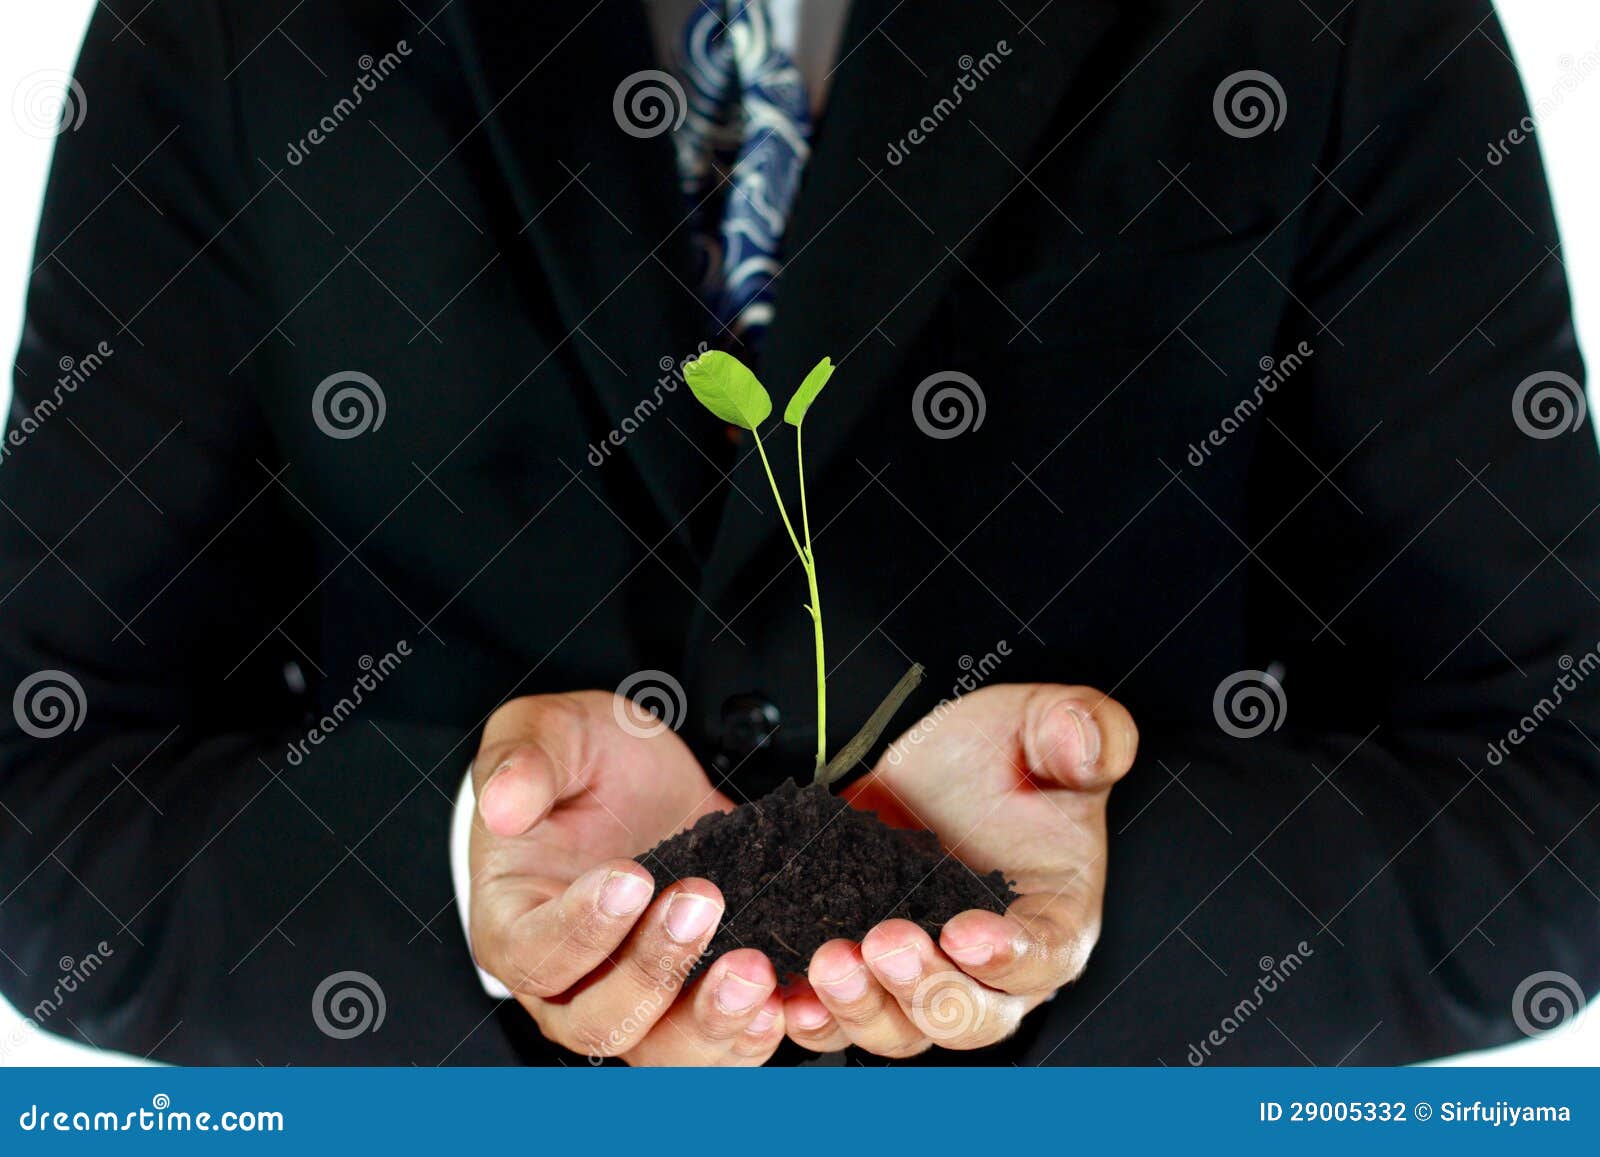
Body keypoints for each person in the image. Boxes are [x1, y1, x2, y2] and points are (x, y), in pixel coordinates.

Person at [1, 0, 1596, 1066]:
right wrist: (470, 869)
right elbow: (45, 787)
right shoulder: (218, 27)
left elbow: (1553, 791)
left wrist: (1061, 897)